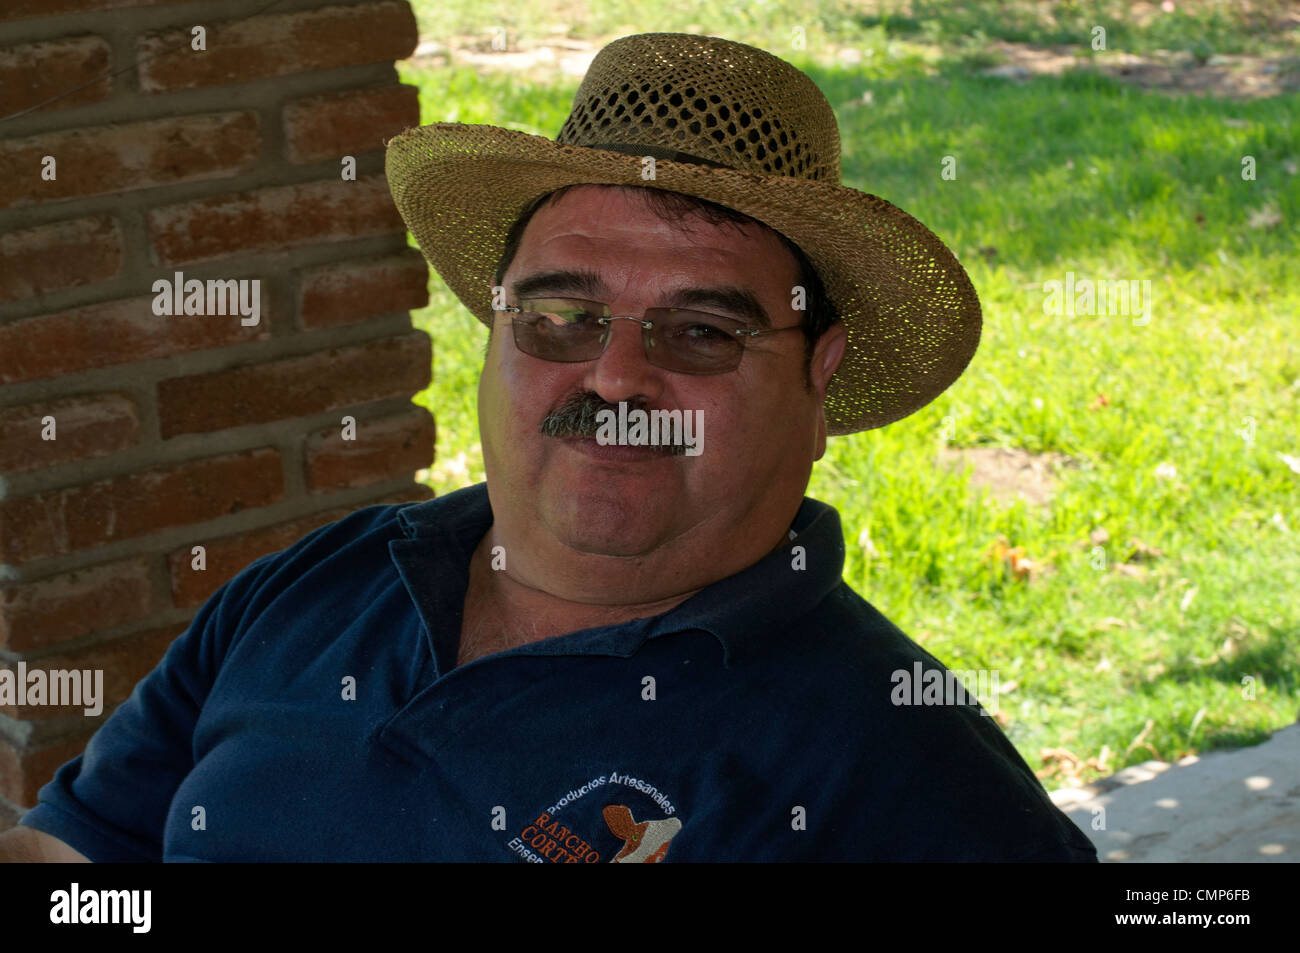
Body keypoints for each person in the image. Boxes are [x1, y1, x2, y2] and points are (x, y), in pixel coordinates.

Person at [3, 32, 1095, 862]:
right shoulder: (318, 583)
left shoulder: (895, 769)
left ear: (818, 378)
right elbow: (89, 858)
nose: (616, 378)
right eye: (559, 318)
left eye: (702, 332)